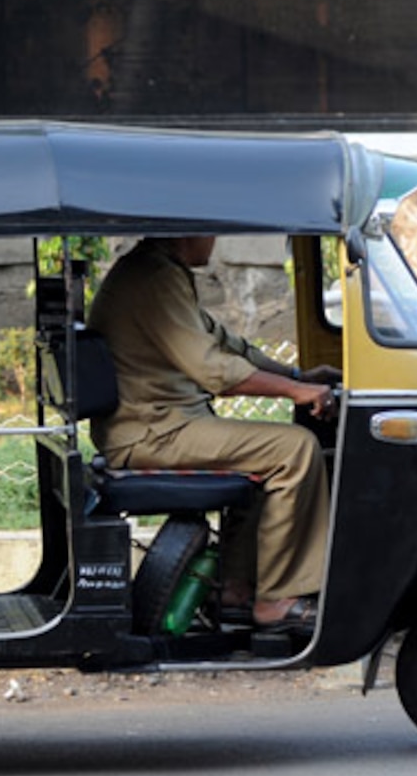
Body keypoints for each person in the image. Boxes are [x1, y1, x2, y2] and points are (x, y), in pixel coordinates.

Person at [88, 236, 339, 632]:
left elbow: (224, 342)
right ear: (186, 229)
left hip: (160, 423)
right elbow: (213, 369)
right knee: (296, 449)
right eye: (210, 230)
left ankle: (235, 589)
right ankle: (276, 599)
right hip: (152, 431)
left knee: (268, 453)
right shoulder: (153, 277)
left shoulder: (158, 270)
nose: (214, 240)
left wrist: (295, 376)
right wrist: (295, 391)